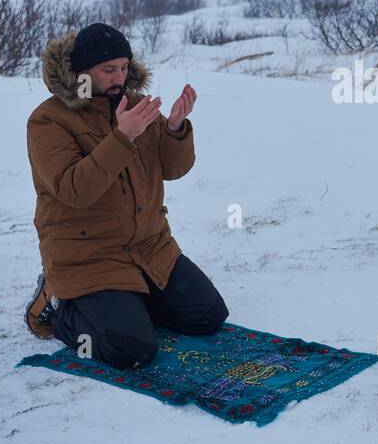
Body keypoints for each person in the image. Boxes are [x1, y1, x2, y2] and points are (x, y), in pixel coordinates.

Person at [23, 22, 229, 370]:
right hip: (89, 257)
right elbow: (75, 189)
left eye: (124, 68)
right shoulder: (48, 121)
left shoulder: (135, 106)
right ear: (81, 71)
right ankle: (57, 305)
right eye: (108, 70)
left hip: (149, 248)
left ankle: (131, 302)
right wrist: (122, 137)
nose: (119, 78)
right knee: (131, 350)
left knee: (208, 316)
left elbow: (173, 169)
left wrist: (175, 129)